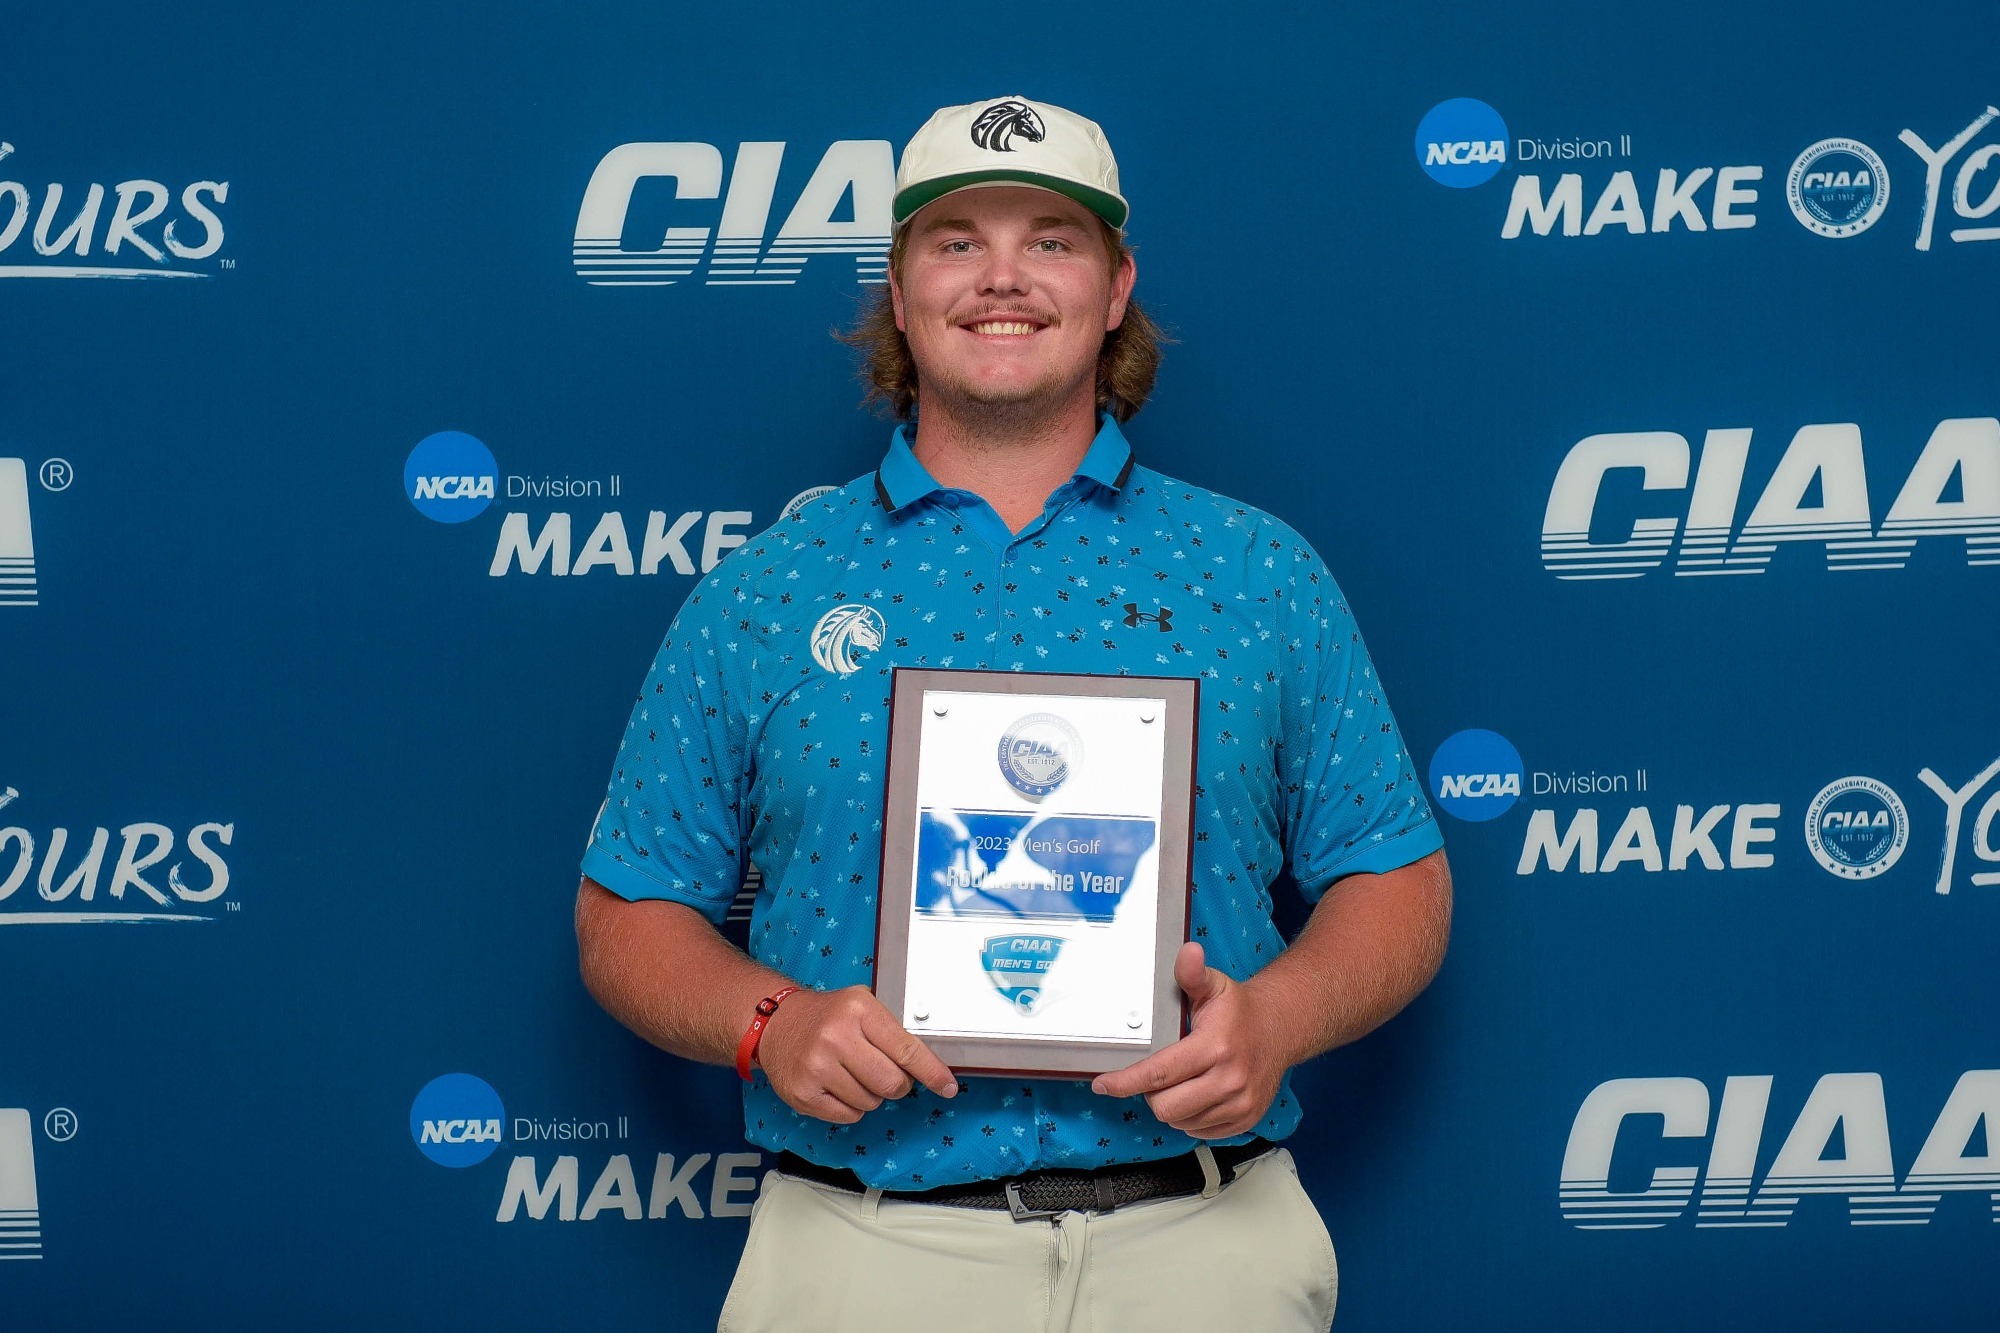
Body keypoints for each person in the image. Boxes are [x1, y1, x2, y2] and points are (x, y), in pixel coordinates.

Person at [574, 94, 1452, 1333]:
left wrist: (1281, 1019)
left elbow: (1395, 875)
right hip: (861, 1255)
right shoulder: (768, 590)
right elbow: (626, 906)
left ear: (1113, 287)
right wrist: (766, 1023)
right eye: (954, 240)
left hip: (1205, 1249)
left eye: (1050, 239)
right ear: (897, 286)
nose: (1002, 277)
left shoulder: (1256, 572)